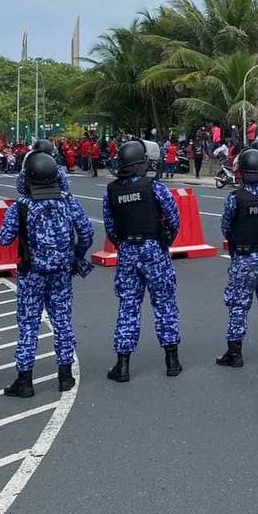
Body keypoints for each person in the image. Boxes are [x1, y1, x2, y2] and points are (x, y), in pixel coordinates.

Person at [0, 151, 94, 398]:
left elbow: (4, 239)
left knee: (29, 325)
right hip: (62, 271)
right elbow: (86, 232)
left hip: (32, 273)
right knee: (62, 320)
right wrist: (76, 255)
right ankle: (65, 375)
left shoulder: (21, 206)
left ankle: (25, 381)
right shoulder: (67, 201)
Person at [102, 141, 183, 382]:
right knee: (165, 303)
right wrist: (165, 241)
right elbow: (173, 217)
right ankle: (172, 360)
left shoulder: (112, 191)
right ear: (142, 164)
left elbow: (110, 227)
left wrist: (124, 244)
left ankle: (123, 365)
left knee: (128, 306)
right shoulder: (155, 187)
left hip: (127, 250)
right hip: (154, 250)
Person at [215, 148, 258, 368]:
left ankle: (235, 354)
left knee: (238, 306)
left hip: (243, 259)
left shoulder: (236, 198)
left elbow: (226, 227)